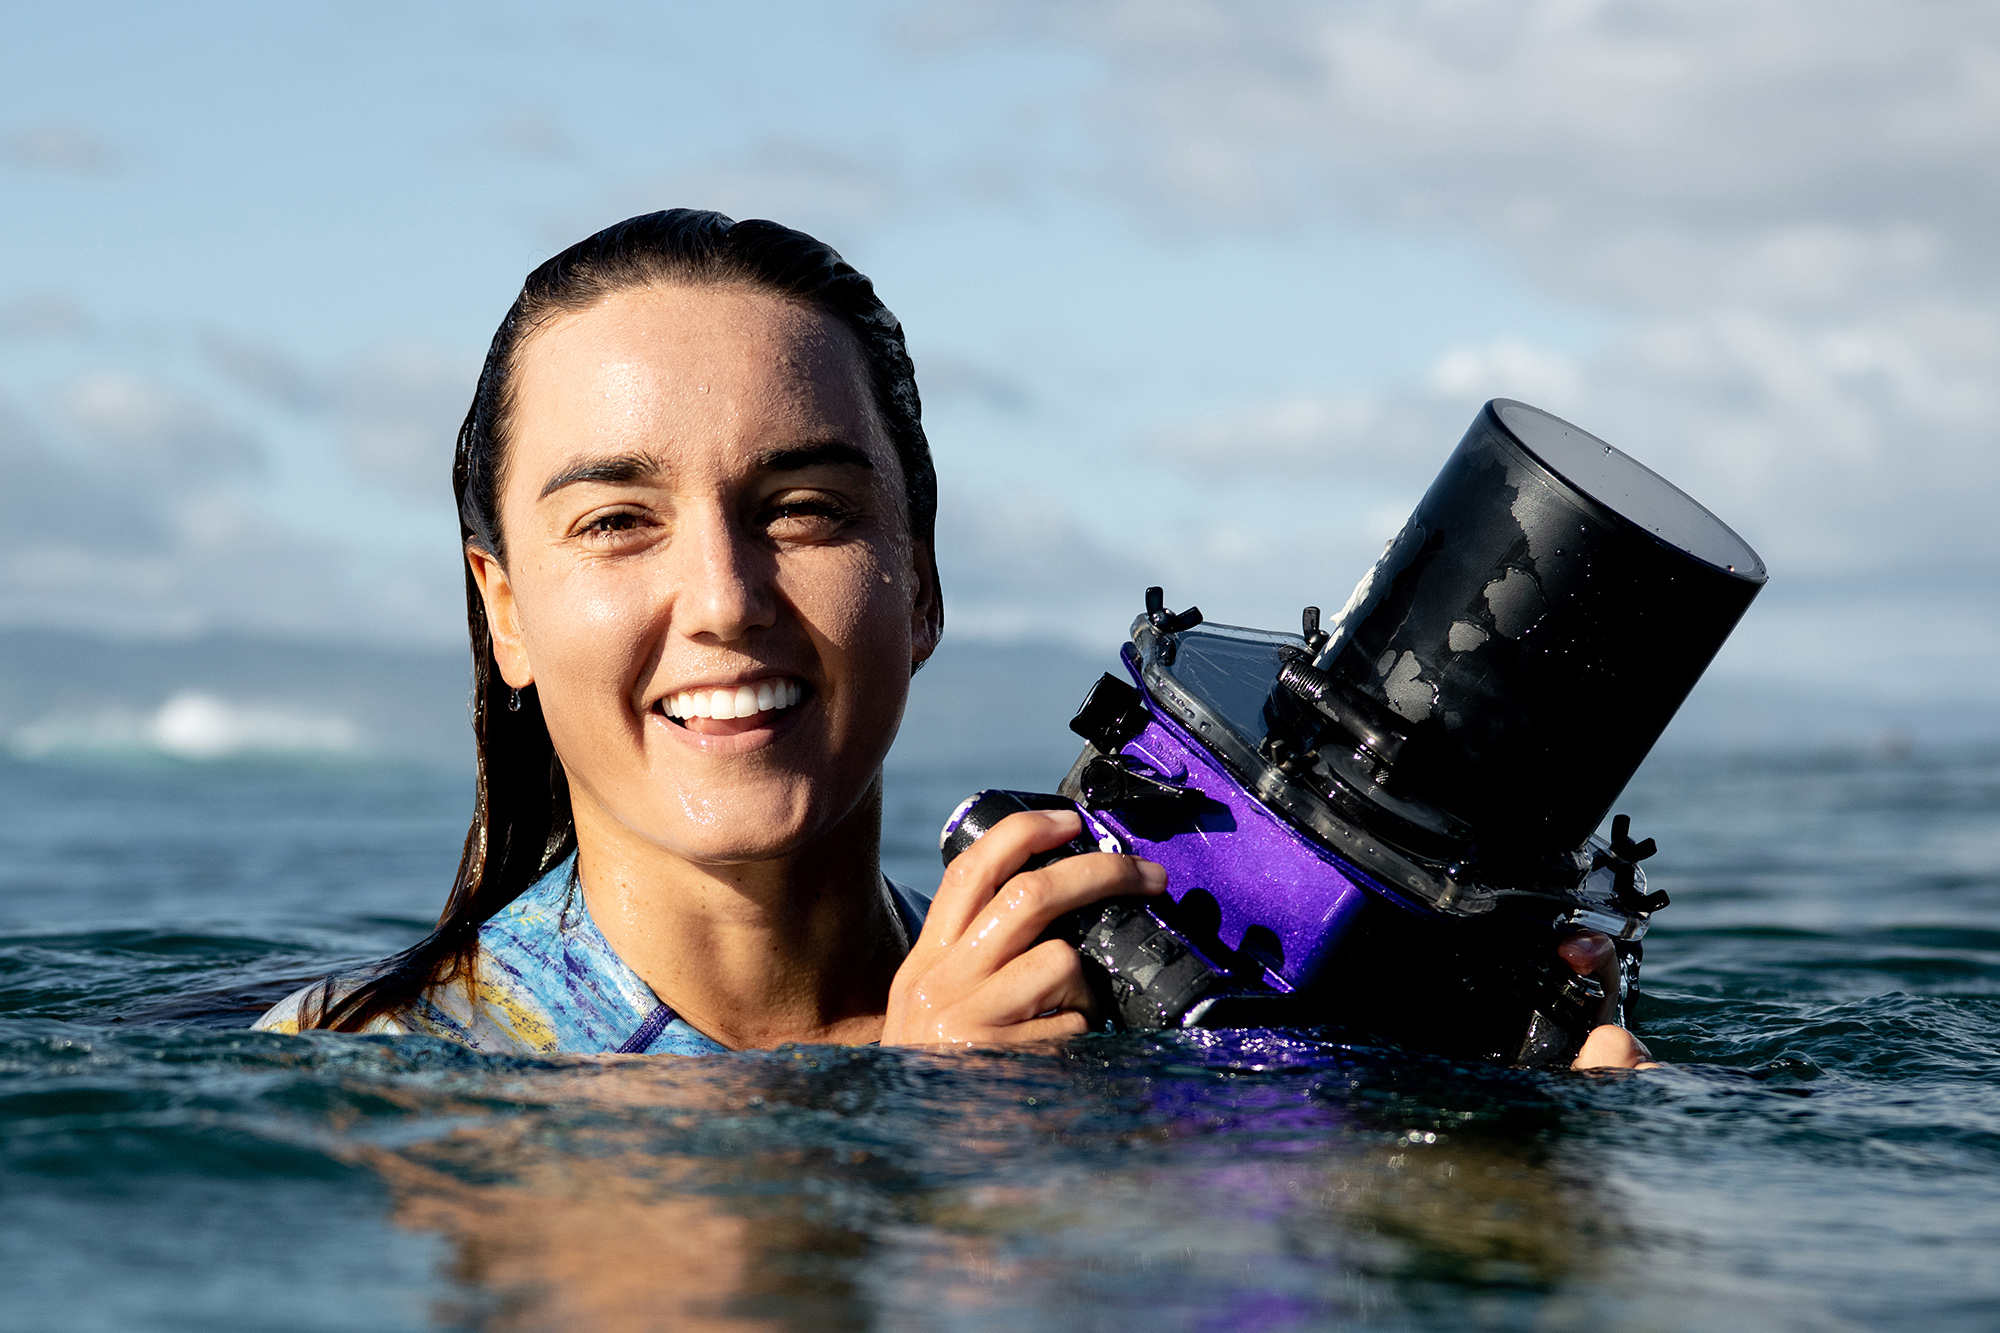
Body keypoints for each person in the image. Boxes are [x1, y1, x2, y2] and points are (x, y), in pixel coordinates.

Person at [256, 210, 1654, 1069]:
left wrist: (1518, 1147)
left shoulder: (1098, 1012)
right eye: (619, 520)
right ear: (503, 607)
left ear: (921, 582)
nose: (726, 595)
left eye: (803, 509)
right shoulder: (361, 1074)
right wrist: (908, 1115)